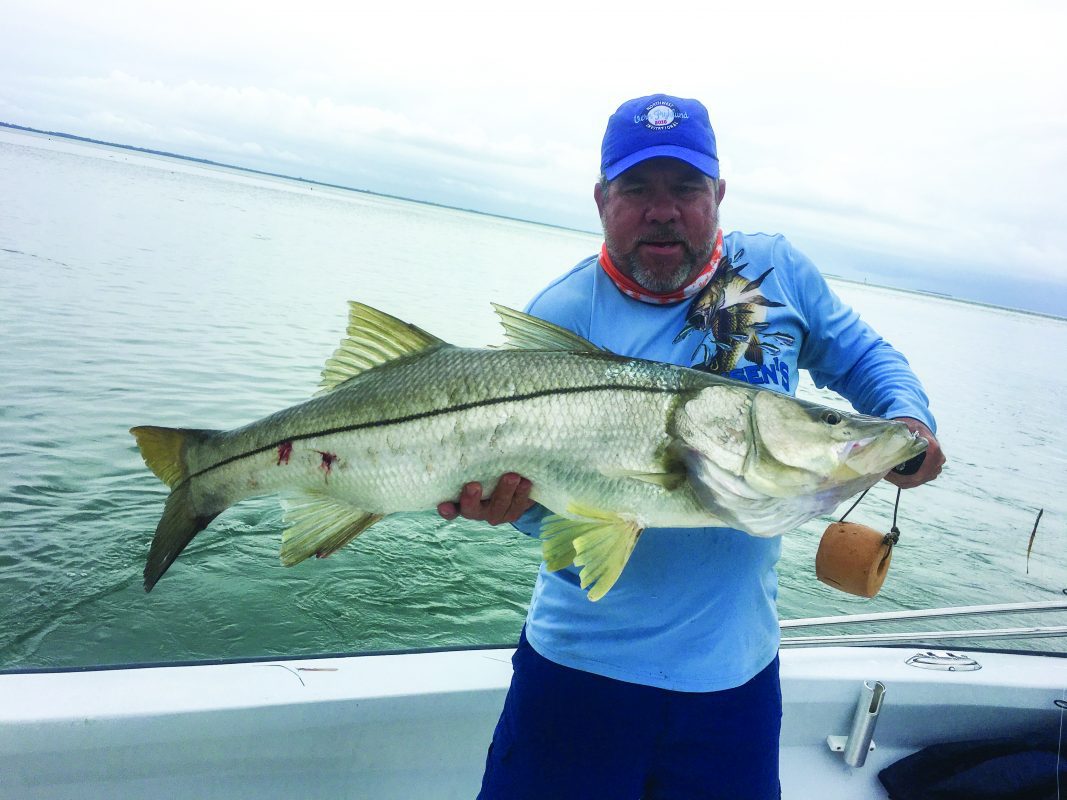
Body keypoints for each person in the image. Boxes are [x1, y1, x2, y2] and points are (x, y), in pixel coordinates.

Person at [438, 94, 946, 799]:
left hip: (733, 683)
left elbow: (865, 358)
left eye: (685, 188)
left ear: (718, 194)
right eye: (635, 189)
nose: (662, 209)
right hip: (577, 674)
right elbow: (543, 508)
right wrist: (512, 508)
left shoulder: (773, 271)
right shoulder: (561, 315)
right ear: (599, 200)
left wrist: (906, 419)